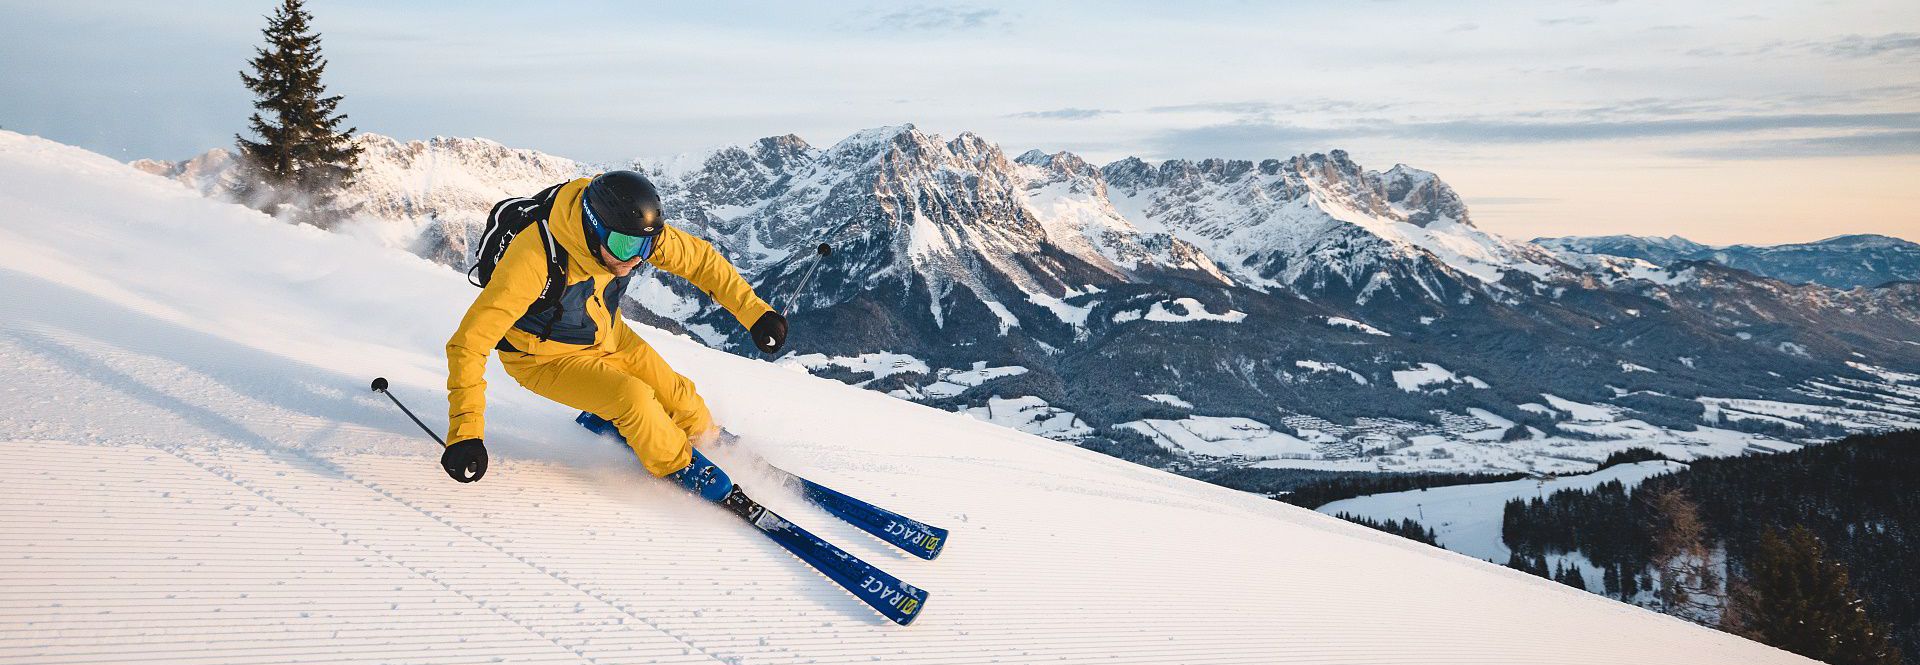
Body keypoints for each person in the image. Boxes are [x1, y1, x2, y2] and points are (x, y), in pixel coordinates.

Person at [440, 170, 786, 497]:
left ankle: (705, 438)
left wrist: (757, 314)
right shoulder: (533, 259)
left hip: (608, 335)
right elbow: (469, 344)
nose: (635, 259)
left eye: (645, 248)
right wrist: (465, 435)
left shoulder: (629, 232)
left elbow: (700, 262)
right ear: (593, 230)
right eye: (624, 247)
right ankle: (677, 464)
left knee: (680, 396)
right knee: (633, 399)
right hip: (542, 358)